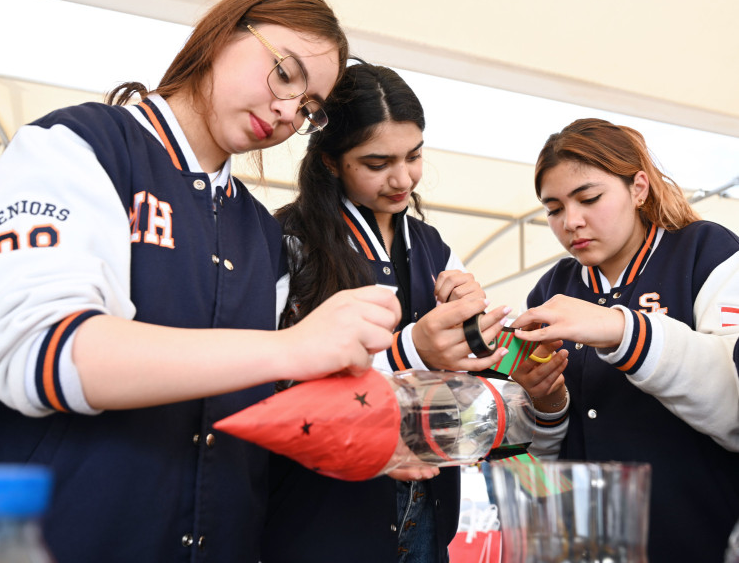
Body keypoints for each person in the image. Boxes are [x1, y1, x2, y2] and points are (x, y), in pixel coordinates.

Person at [0, 0, 402, 563]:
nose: (288, 111)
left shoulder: (260, 233)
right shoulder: (76, 148)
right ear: (223, 33)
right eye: (284, 73)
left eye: (309, 108)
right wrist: (290, 347)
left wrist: (372, 432)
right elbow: (39, 348)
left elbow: (261, 410)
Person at [264, 62, 566, 563]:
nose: (403, 178)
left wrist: (490, 342)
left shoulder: (432, 248)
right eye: (378, 162)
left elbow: (474, 382)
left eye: (415, 155)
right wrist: (412, 351)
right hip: (325, 516)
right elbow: (270, 383)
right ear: (330, 162)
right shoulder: (286, 243)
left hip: (428, 510)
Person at [511, 118, 739, 563]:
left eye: (589, 198)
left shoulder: (706, 252)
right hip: (581, 543)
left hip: (695, 539)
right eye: (554, 208)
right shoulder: (551, 290)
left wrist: (624, 331)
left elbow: (733, 405)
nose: (571, 222)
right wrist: (546, 405)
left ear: (639, 187)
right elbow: (536, 456)